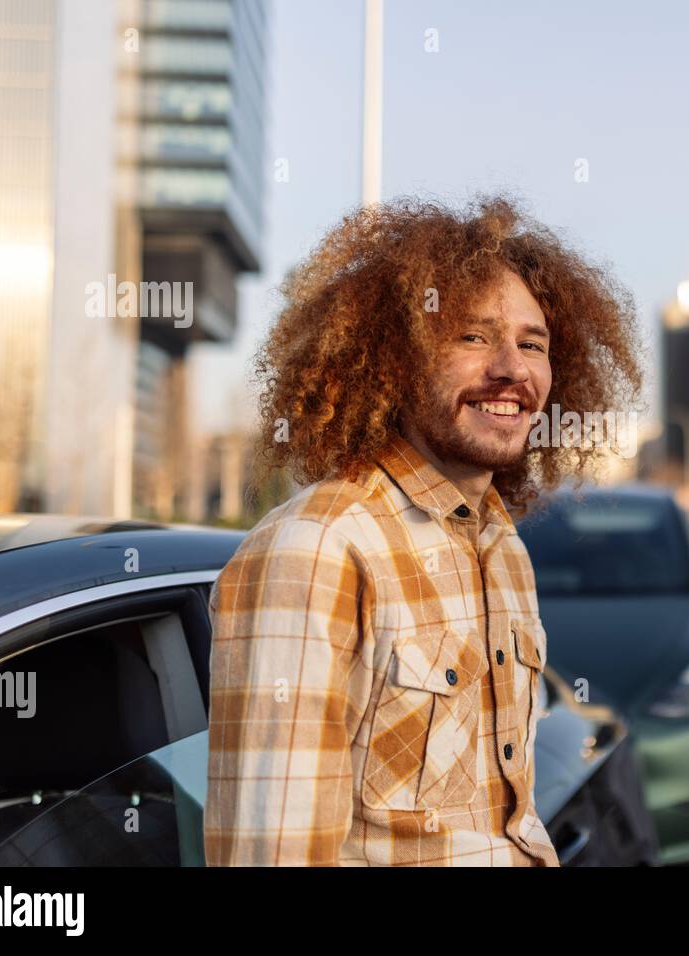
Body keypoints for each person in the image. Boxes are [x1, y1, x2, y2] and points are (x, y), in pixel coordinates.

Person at [204, 195, 643, 865]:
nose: (513, 369)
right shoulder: (318, 549)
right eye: (473, 335)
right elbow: (273, 854)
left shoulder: (501, 547)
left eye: (533, 344)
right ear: (393, 357)